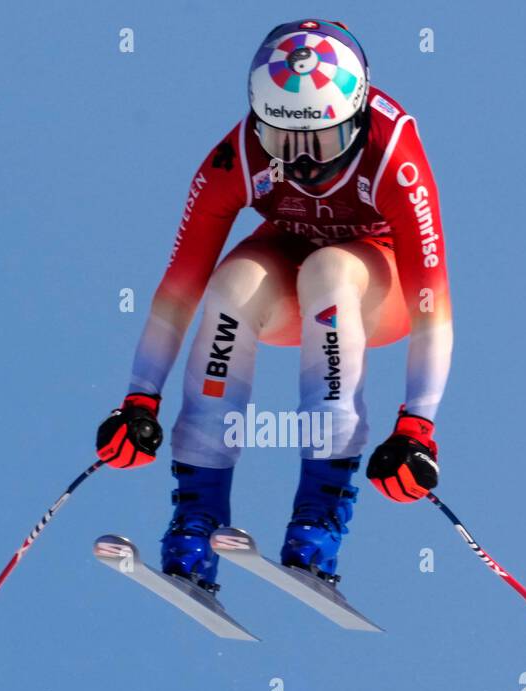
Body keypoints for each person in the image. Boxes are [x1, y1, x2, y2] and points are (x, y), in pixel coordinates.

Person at [96, 18, 453, 593]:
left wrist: (417, 426)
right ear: (260, 124)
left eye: (325, 143)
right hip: (287, 278)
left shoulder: (394, 152)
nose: (307, 165)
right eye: (286, 144)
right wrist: (139, 399)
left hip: (373, 287)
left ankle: (320, 517)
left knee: (330, 270)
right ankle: (196, 517)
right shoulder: (234, 156)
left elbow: (433, 305)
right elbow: (179, 287)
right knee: (231, 284)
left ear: (358, 119)